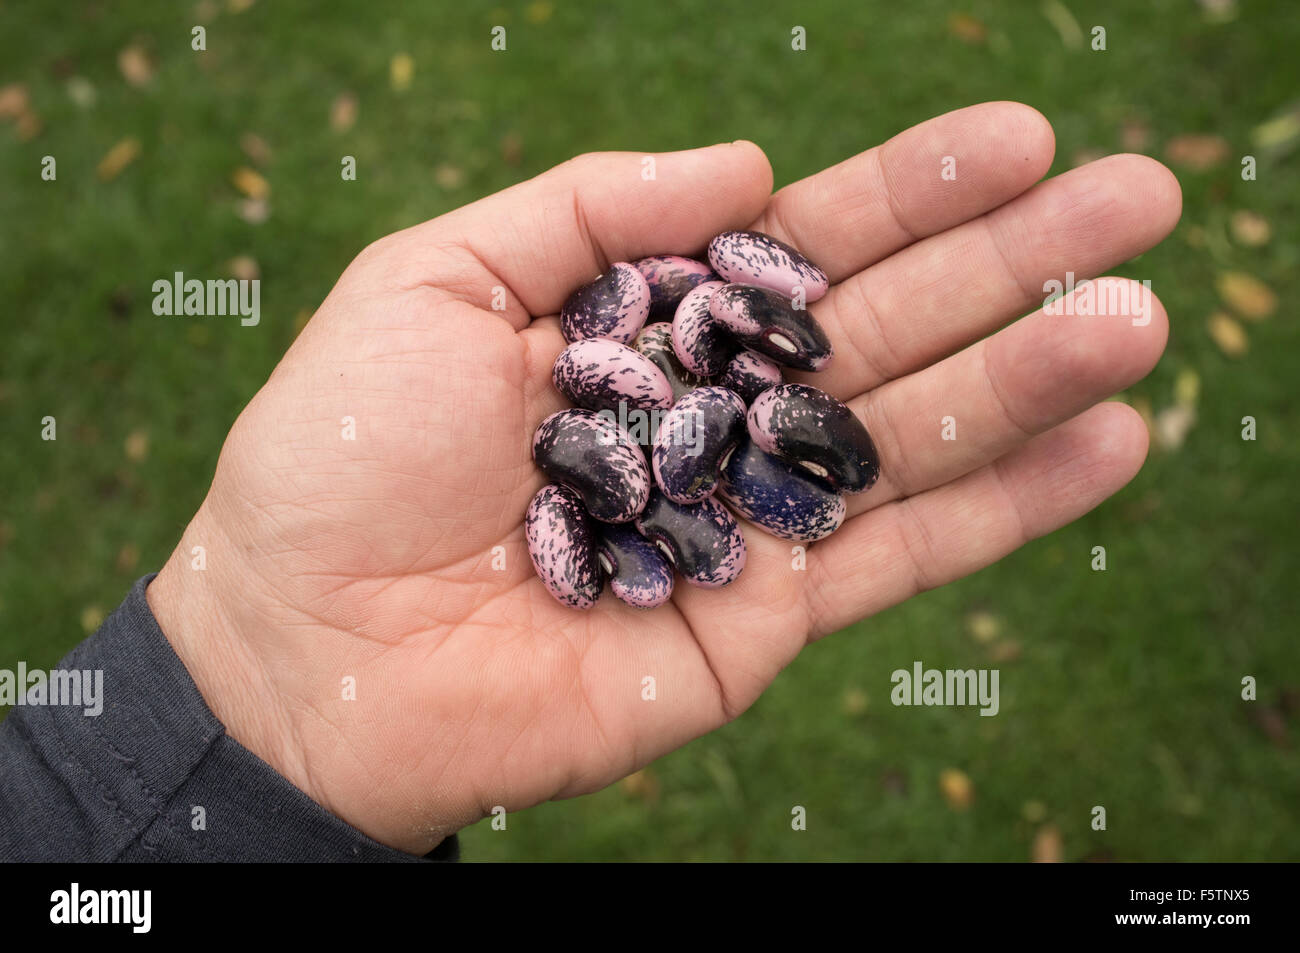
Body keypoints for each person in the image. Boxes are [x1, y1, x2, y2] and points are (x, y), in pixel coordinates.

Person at [0, 102, 1182, 861]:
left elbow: (722, 426)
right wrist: (254, 690)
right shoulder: (632, 403)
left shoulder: (704, 375)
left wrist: (210, 724)